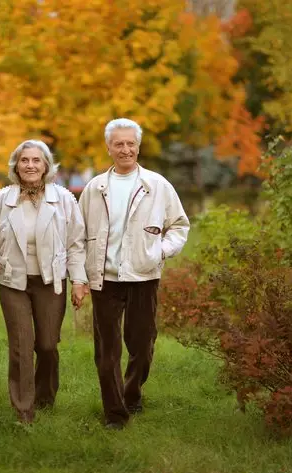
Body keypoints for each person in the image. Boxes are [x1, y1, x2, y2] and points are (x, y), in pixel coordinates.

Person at [78, 118, 190, 429]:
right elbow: (78, 232)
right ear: (109, 148)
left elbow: (179, 226)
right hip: (105, 279)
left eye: (130, 144)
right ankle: (115, 414)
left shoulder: (158, 186)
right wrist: (80, 275)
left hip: (143, 276)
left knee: (142, 345)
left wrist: (161, 251)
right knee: (107, 350)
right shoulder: (94, 188)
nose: (125, 149)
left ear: (138, 147)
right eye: (119, 144)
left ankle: (132, 392)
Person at [0, 140, 88, 424]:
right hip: (13, 281)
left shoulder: (64, 199)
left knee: (47, 345)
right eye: (24, 160)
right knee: (21, 345)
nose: (30, 165)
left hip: (51, 282)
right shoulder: (1, 200)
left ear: (46, 166)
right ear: (16, 165)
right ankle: (24, 410)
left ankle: (45, 396)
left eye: (36, 160)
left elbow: (76, 244)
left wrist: (78, 281)